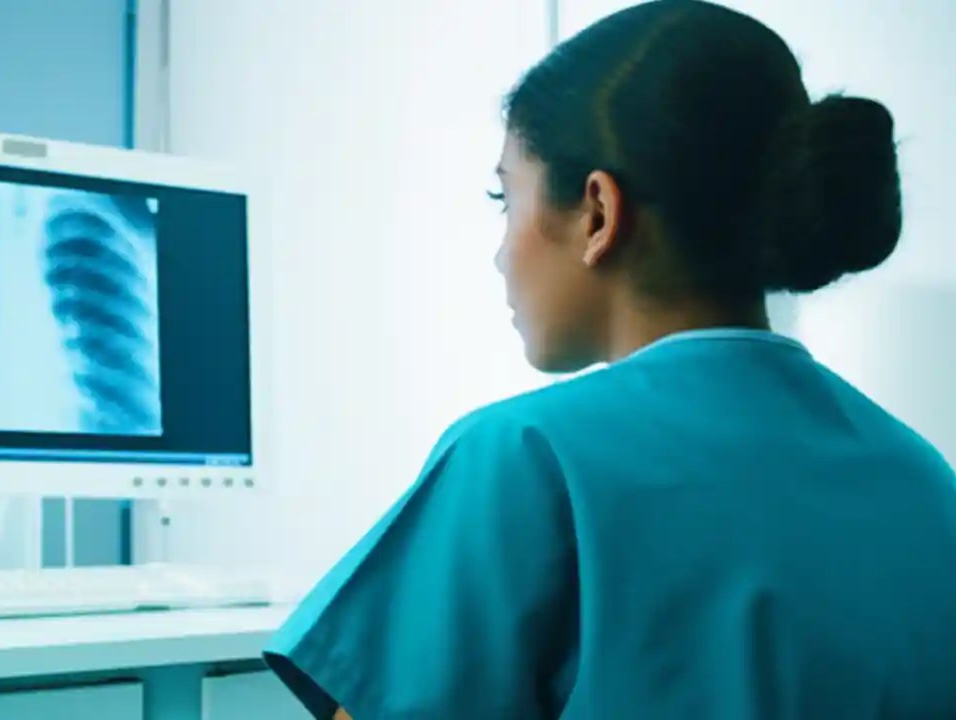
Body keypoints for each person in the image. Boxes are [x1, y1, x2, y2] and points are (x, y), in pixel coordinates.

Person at [262, 1, 956, 718]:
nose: (501, 253)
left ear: (597, 212)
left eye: (505, 197)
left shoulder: (526, 460)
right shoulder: (924, 480)